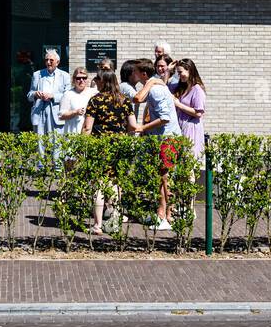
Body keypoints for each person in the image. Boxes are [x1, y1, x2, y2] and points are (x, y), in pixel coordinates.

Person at [82, 69, 138, 234]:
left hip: (99, 147)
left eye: (98, 79)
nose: (96, 82)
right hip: (118, 146)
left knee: (98, 184)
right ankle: (114, 221)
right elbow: (133, 126)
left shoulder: (95, 100)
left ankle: (98, 225)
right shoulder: (124, 100)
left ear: (103, 81)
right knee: (115, 183)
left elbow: (87, 127)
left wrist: (81, 146)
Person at [132, 59, 180, 231]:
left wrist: (142, 127)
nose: (133, 75)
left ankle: (169, 216)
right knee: (162, 177)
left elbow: (165, 117)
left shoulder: (156, 90)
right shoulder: (153, 86)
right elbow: (138, 98)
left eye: (136, 72)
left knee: (166, 178)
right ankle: (162, 215)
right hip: (162, 138)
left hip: (167, 138)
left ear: (143, 74)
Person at [27, 48, 70, 143]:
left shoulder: (65, 76)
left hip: (56, 112)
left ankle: (55, 159)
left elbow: (67, 96)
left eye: (51, 60)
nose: (48, 62)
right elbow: (29, 95)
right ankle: (40, 158)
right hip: (39, 112)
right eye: (46, 60)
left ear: (57, 62)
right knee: (40, 143)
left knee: (56, 143)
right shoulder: (37, 74)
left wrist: (53, 96)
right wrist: (35, 94)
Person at [172, 58, 208, 161]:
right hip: (182, 128)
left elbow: (198, 113)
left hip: (191, 130)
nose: (179, 75)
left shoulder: (197, 89)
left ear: (189, 70)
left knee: (188, 163)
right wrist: (167, 71)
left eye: (180, 72)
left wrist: (179, 105)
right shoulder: (183, 87)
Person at [58, 67, 97, 134]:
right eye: (78, 78)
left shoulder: (93, 93)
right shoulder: (68, 94)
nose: (81, 80)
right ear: (74, 79)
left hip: (89, 132)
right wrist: (75, 112)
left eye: (84, 78)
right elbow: (61, 116)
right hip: (73, 132)